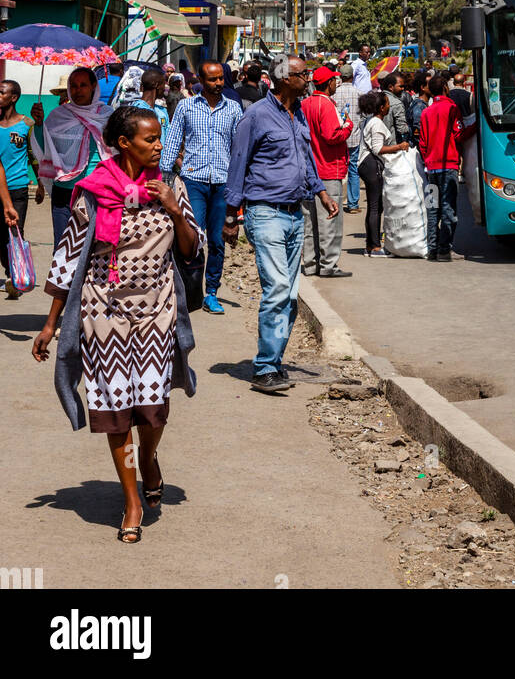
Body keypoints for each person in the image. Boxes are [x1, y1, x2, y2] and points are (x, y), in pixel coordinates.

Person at [33, 106, 201, 543]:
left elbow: (190, 250)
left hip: (157, 310)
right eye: (150, 139)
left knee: (151, 405)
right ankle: (130, 501)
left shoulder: (171, 184)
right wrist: (50, 325)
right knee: (114, 411)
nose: (159, 146)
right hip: (103, 312)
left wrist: (174, 210)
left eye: (159, 138)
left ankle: (149, 458)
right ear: (125, 143)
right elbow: (68, 260)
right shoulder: (92, 192)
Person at [224, 54, 339, 392]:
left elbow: (305, 160)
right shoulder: (256, 117)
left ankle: (273, 362)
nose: (309, 79)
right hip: (265, 212)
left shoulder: (298, 113)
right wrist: (231, 215)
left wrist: (321, 193)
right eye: (303, 74)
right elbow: (238, 163)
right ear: (284, 78)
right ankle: (263, 369)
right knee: (276, 289)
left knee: (289, 294)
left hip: (294, 213)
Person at [161, 59, 242, 316]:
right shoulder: (186, 107)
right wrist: (165, 179)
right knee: (192, 238)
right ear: (201, 81)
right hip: (192, 182)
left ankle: (212, 293)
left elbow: (238, 150)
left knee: (218, 241)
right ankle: (188, 289)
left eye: (220, 79)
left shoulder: (233, 109)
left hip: (222, 184)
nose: (218, 83)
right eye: (212, 79)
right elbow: (173, 142)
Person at [31, 68, 113, 249]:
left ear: (93, 86)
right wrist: (39, 125)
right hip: (64, 191)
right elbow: (45, 150)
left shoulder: (107, 115)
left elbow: (116, 151)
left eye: (83, 85)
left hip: (96, 190)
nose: (78, 90)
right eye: (74, 86)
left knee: (93, 248)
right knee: (62, 247)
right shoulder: (57, 116)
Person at [301, 66, 354, 278]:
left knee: (310, 221)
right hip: (329, 168)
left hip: (308, 169)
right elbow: (332, 136)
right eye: (334, 80)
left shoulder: (304, 104)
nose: (336, 83)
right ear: (327, 83)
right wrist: (348, 125)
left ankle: (312, 263)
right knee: (330, 219)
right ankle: (328, 265)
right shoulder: (326, 104)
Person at [0, 79, 44, 296]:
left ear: (13, 97)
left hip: (17, 187)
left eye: (1, 92)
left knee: (15, 233)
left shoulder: (27, 124)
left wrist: (41, 184)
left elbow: (34, 155)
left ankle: (14, 276)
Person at [418, 73, 464, 262]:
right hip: (448, 166)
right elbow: (458, 133)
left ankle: (433, 248)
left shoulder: (426, 112)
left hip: (431, 169)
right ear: (446, 88)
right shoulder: (452, 108)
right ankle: (445, 249)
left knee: (432, 209)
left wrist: (428, 159)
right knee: (448, 208)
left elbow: (422, 143)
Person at [357, 89, 409, 256]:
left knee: (375, 206)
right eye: (387, 103)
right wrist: (399, 147)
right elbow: (378, 148)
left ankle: (370, 245)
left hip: (367, 164)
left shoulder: (371, 121)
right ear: (381, 108)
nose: (389, 106)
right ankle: (375, 247)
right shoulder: (377, 123)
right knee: (374, 207)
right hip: (371, 165)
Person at [334, 65, 361, 213]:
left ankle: (336, 202)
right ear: (352, 77)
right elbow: (364, 115)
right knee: (353, 170)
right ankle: (353, 204)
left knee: (338, 170)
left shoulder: (334, 93)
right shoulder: (359, 93)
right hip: (354, 137)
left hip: (338, 137)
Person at [379, 71, 411, 144]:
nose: (403, 89)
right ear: (390, 87)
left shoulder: (375, 98)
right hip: (391, 146)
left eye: (404, 86)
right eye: (400, 86)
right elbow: (402, 129)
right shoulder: (397, 103)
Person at [407, 70, 430, 146]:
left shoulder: (423, 104)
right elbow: (417, 131)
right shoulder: (419, 106)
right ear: (422, 87)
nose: (434, 86)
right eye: (431, 84)